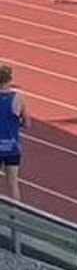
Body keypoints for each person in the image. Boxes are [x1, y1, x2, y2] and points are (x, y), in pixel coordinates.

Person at [0, 64, 28, 202]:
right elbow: (27, 123)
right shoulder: (18, 98)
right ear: (9, 79)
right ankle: (15, 215)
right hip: (12, 146)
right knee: (13, 183)